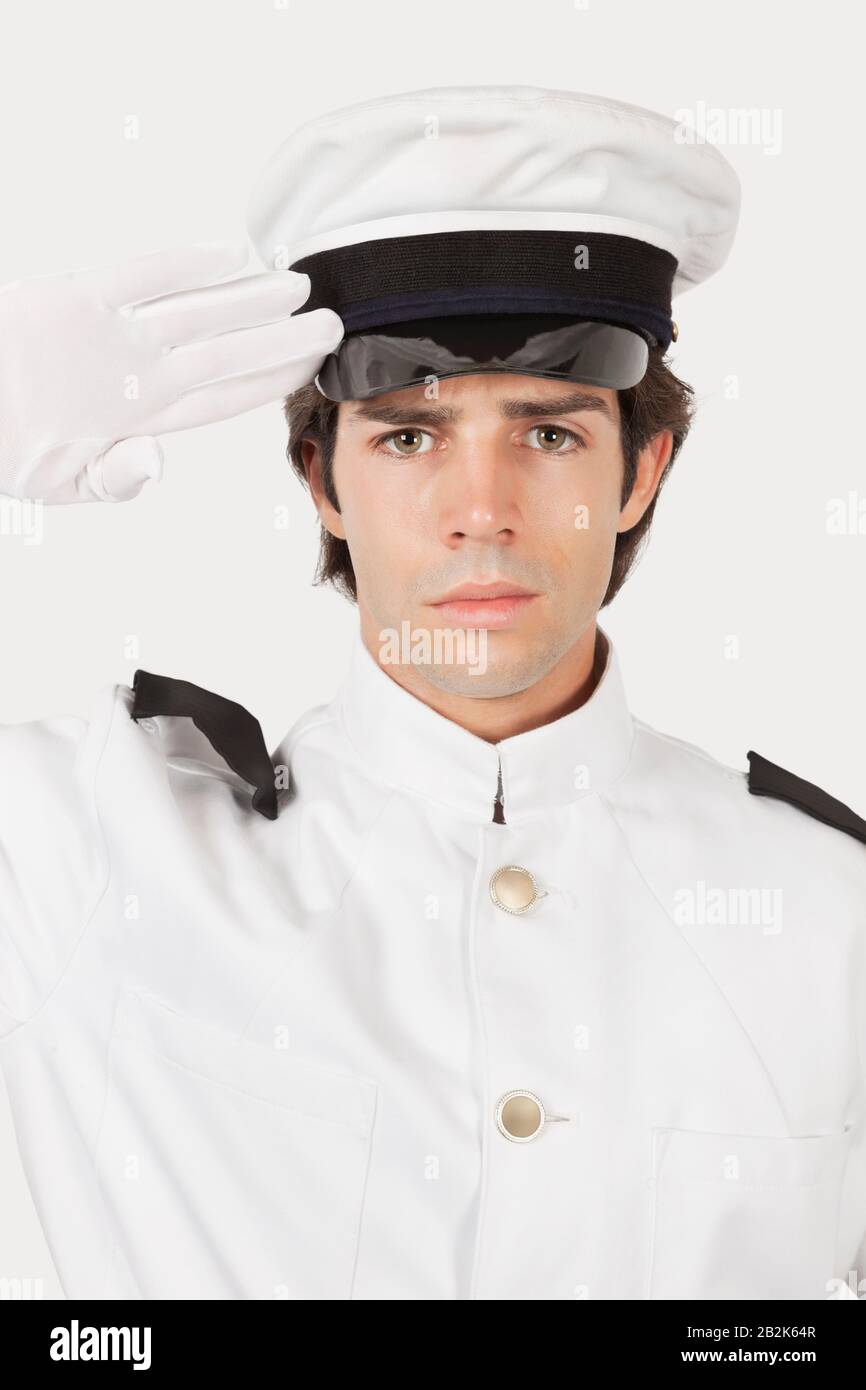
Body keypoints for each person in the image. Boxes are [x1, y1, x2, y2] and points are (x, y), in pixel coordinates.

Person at [0, 85, 863, 1302]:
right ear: (321, 478)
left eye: (549, 434)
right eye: (408, 433)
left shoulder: (828, 911)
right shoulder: (93, 844)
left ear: (639, 471)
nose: (481, 510)